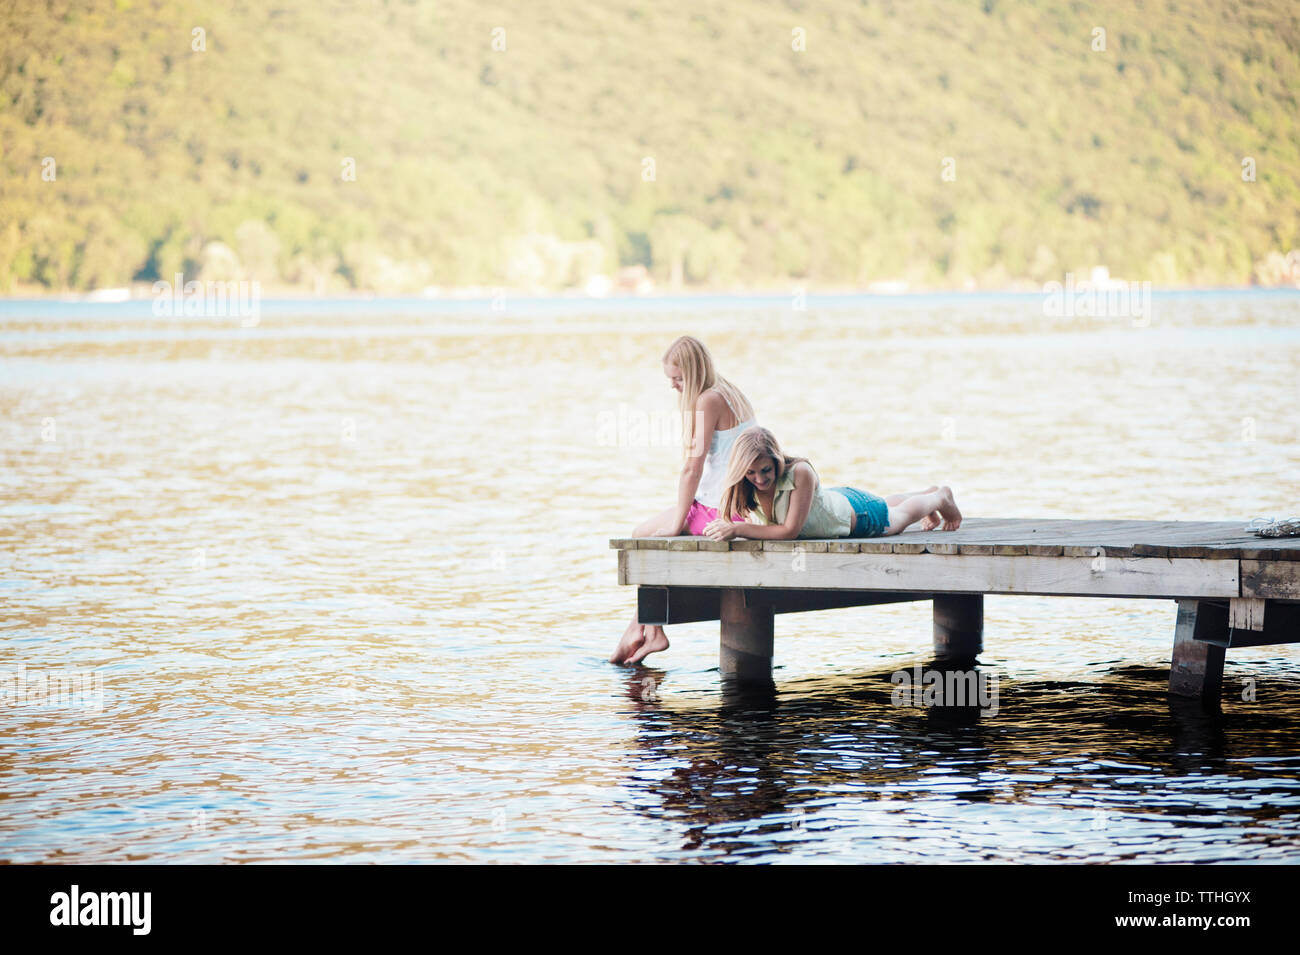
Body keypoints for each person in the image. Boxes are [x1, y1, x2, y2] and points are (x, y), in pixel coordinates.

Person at [609, 336, 757, 666]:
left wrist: (678, 521)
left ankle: (651, 630)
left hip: (719, 510)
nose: (674, 387)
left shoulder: (708, 400)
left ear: (693, 372)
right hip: (735, 505)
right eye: (670, 380)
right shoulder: (730, 391)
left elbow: (693, 466)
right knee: (645, 535)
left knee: (641, 537)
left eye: (678, 379)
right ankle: (641, 629)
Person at [702, 427, 962, 544]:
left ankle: (939, 498)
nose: (759, 479)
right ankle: (926, 493)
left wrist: (737, 528)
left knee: (900, 516)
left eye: (766, 471)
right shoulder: (744, 483)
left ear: (777, 460)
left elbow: (790, 531)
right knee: (885, 503)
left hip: (858, 517)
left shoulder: (800, 472)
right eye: (751, 473)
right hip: (836, 502)